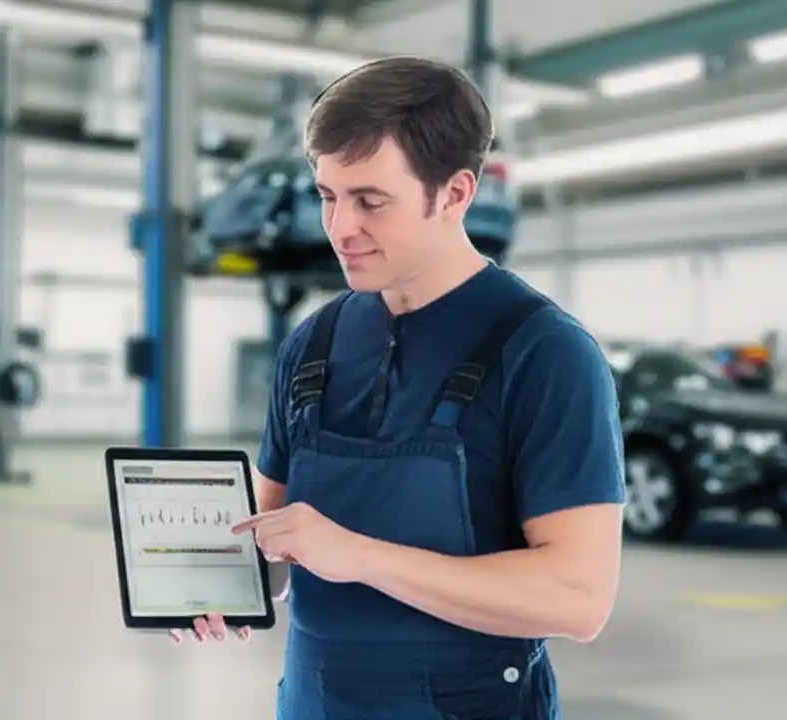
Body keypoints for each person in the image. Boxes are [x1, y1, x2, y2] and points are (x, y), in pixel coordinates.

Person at [173, 57, 626, 719]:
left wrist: (359, 556)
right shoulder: (313, 343)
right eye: (328, 195)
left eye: (370, 200)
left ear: (455, 193)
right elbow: (273, 539)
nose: (339, 227)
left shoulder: (546, 354)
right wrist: (214, 582)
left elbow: (577, 598)